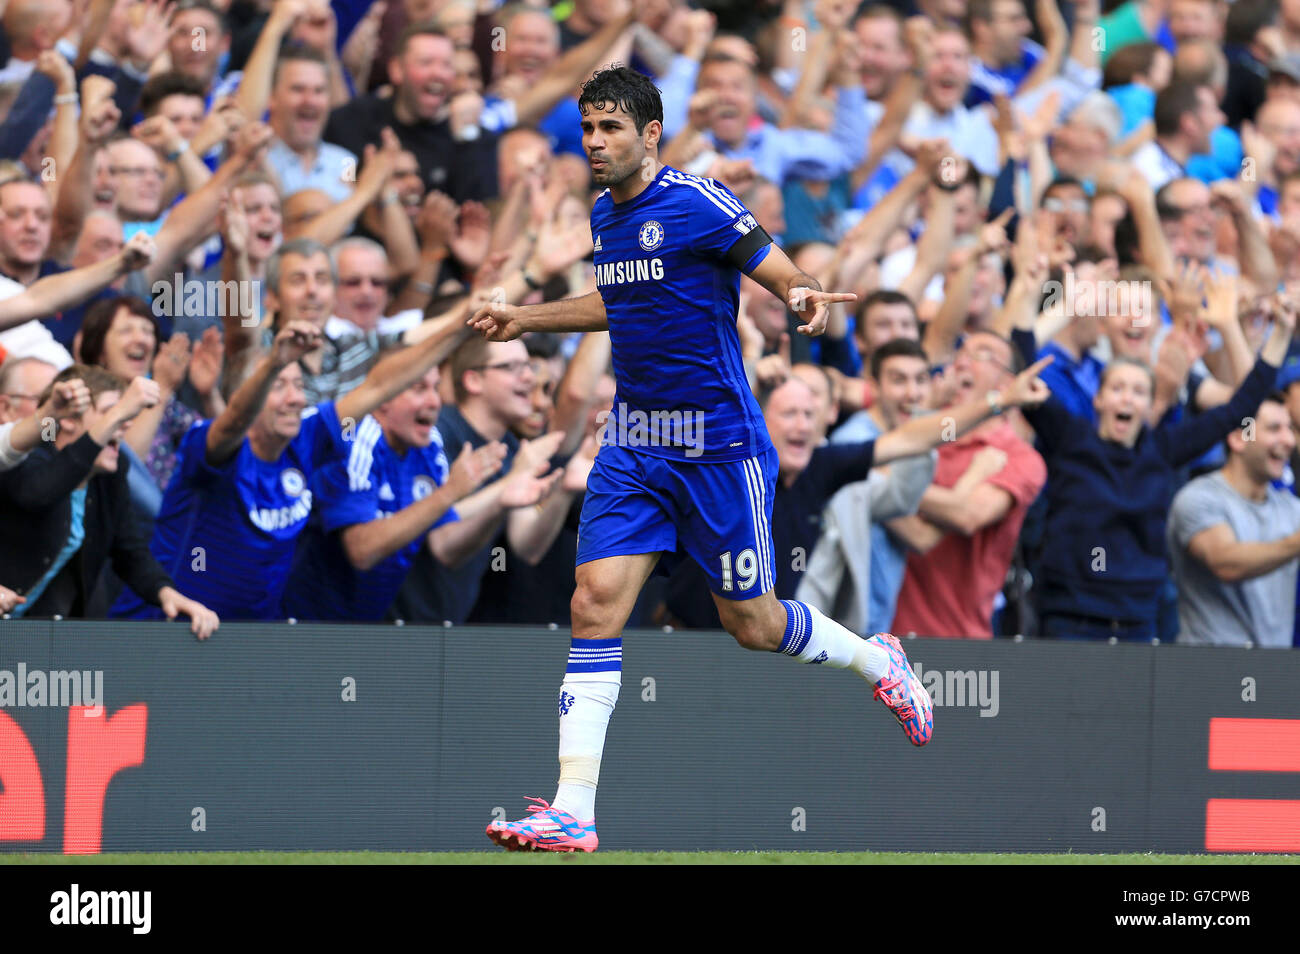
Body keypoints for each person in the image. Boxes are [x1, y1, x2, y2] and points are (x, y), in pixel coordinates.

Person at [468, 67, 1052, 852]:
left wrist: (805, 295)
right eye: (587, 128)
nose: (595, 143)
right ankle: (575, 806)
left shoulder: (699, 202)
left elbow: (779, 271)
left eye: (610, 128)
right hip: (636, 442)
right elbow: (619, 302)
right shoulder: (606, 216)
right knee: (593, 602)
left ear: (649, 135)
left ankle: (876, 661)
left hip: (719, 446)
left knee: (753, 623)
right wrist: (524, 317)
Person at [1168, 392, 1300, 646]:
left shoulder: (1291, 509)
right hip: (1208, 672)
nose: (1289, 440)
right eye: (1274, 428)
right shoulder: (1198, 498)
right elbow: (1226, 563)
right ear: (1239, 437)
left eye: (1290, 428)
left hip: (1273, 675)